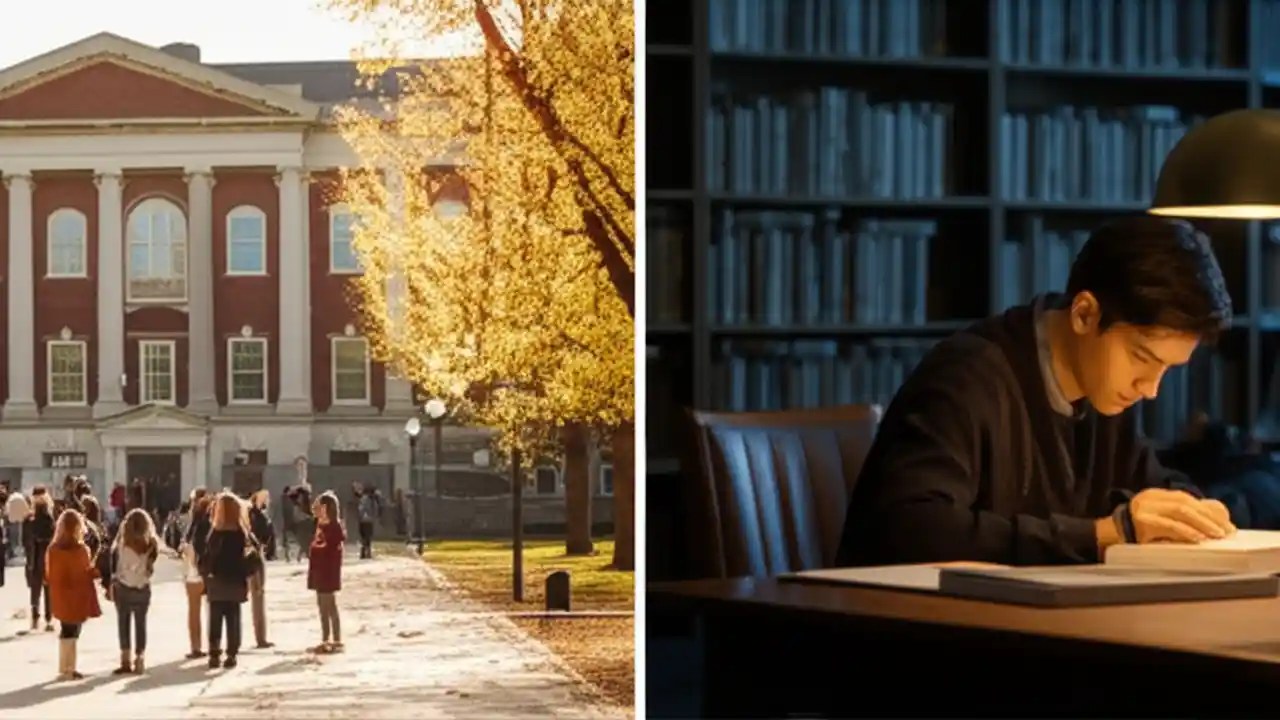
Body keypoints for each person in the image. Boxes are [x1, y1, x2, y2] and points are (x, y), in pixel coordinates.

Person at [836, 216, 1238, 567]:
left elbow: (1152, 481)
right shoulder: (968, 377)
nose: (1150, 388)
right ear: (1084, 314)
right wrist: (1101, 535)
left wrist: (1188, 509)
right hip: (909, 636)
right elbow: (912, 526)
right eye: (1141, 357)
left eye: (1167, 369)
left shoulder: (1103, 392)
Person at [199, 492, 259, 669]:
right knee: (233, 619)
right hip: (235, 581)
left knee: (215, 620)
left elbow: (206, 558)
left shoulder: (214, 534)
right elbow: (256, 552)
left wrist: (205, 574)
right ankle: (232, 653)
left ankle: (214, 653)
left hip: (216, 582)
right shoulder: (242, 533)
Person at [44, 508, 102, 680]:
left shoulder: (53, 550)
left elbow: (48, 575)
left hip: (60, 596)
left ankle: (64, 666)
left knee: (65, 629)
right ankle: (71, 667)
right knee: (74, 631)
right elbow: (87, 571)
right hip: (78, 596)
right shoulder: (82, 550)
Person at [102, 508, 159, 674]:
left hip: (123, 587)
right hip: (142, 588)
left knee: (123, 623)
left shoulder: (121, 545)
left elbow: (115, 567)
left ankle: (125, 659)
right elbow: (150, 569)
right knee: (141, 624)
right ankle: (140, 657)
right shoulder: (151, 545)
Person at [308, 491, 346, 654]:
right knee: (322, 607)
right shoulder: (320, 525)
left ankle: (336, 639)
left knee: (329, 605)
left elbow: (329, 548)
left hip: (328, 571)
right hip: (319, 570)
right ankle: (325, 637)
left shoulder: (334, 527)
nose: (317, 509)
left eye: (320, 506)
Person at [180, 488, 211, 659]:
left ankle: (196, 647)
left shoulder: (190, 523)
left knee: (194, 610)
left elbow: (184, 544)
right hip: (207, 569)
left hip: (192, 570)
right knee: (212, 609)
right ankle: (213, 644)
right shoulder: (212, 521)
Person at [23, 490, 55, 632]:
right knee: (48, 590)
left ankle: (35, 617)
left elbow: (24, 540)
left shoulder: (29, 520)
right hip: (47, 558)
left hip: (33, 559)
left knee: (35, 590)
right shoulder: (50, 519)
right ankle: (49, 618)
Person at [247, 489, 275, 649]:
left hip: (257, 556)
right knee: (258, 596)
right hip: (255, 558)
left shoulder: (255, 515)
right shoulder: (254, 516)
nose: (267, 501)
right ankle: (260, 638)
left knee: (258, 597)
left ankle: (261, 636)